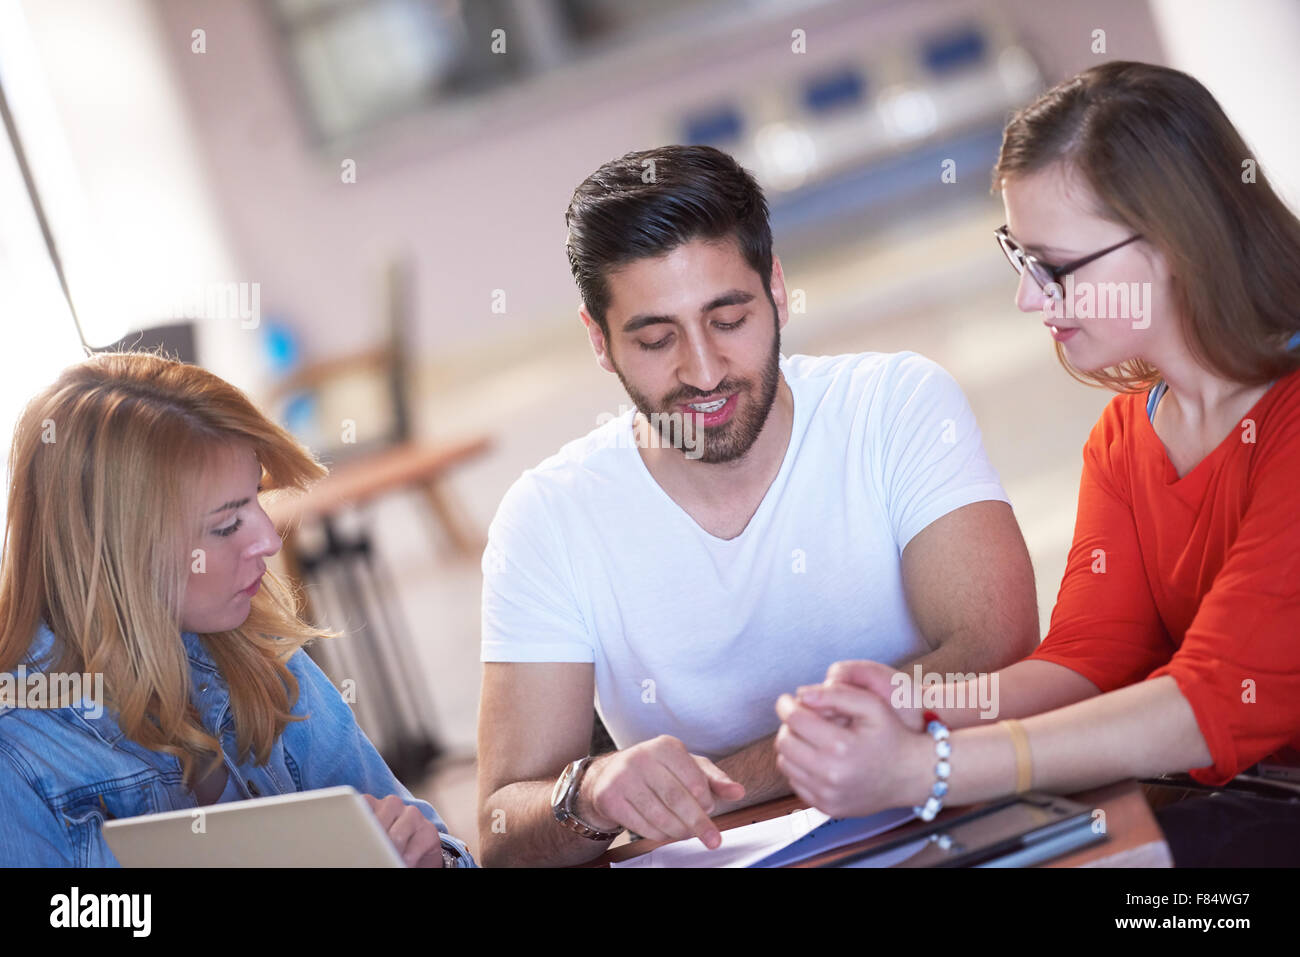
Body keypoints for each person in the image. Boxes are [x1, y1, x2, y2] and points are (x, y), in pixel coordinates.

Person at [775, 61, 1300, 866]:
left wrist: (928, 766)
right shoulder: (1126, 436)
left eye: (1054, 264)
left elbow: (1210, 699)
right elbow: (1089, 657)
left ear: (1173, 241)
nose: (1029, 297)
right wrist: (920, 703)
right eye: (1019, 258)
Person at [476, 144, 1041, 867]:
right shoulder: (548, 518)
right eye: (655, 338)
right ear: (600, 341)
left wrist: (723, 784)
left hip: (949, 833)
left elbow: (995, 658)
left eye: (729, 318)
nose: (703, 370)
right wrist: (587, 792)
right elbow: (498, 830)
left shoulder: (894, 405)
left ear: (776, 290)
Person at [0, 351, 474, 867]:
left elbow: (443, 848)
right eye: (226, 526)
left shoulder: (256, 647)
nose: (269, 540)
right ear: (113, 554)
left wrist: (434, 858)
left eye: (257, 499)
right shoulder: (18, 757)